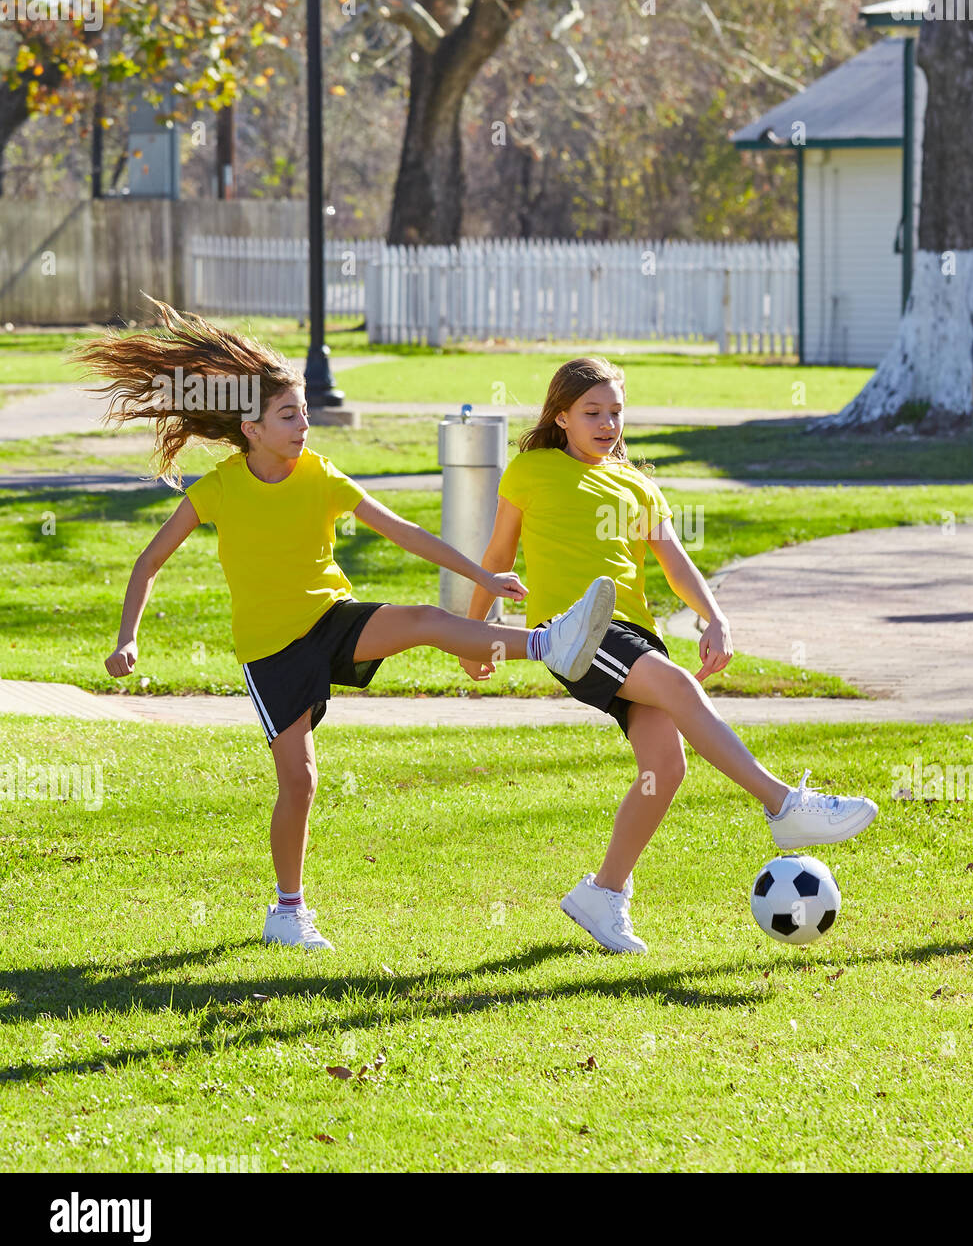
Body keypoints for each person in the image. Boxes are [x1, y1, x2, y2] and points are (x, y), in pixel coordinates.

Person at [77, 297, 615, 952]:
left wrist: (482, 577)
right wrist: (128, 635)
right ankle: (287, 910)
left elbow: (405, 531)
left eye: (304, 410)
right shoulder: (218, 489)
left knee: (422, 617)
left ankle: (546, 641)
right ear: (252, 427)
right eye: (289, 414)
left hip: (330, 620)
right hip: (272, 651)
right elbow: (149, 560)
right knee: (300, 780)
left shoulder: (319, 474)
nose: (304, 423)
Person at [460, 356, 878, 954]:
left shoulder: (636, 483)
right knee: (683, 689)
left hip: (632, 632)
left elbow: (674, 561)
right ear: (561, 416)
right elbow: (496, 553)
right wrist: (474, 637)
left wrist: (714, 615)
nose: (607, 424)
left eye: (615, 412)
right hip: (572, 633)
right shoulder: (531, 470)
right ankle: (783, 803)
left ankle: (602, 894)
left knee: (665, 768)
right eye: (592, 412)